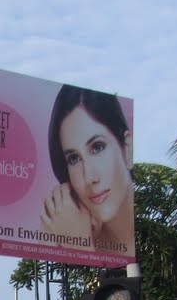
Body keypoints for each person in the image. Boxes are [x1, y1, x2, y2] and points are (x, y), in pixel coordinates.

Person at [38, 85, 135, 257]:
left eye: (97, 147)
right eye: (74, 159)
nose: (89, 177)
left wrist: (79, 248)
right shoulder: (60, 225)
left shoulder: (158, 248)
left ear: (126, 148)